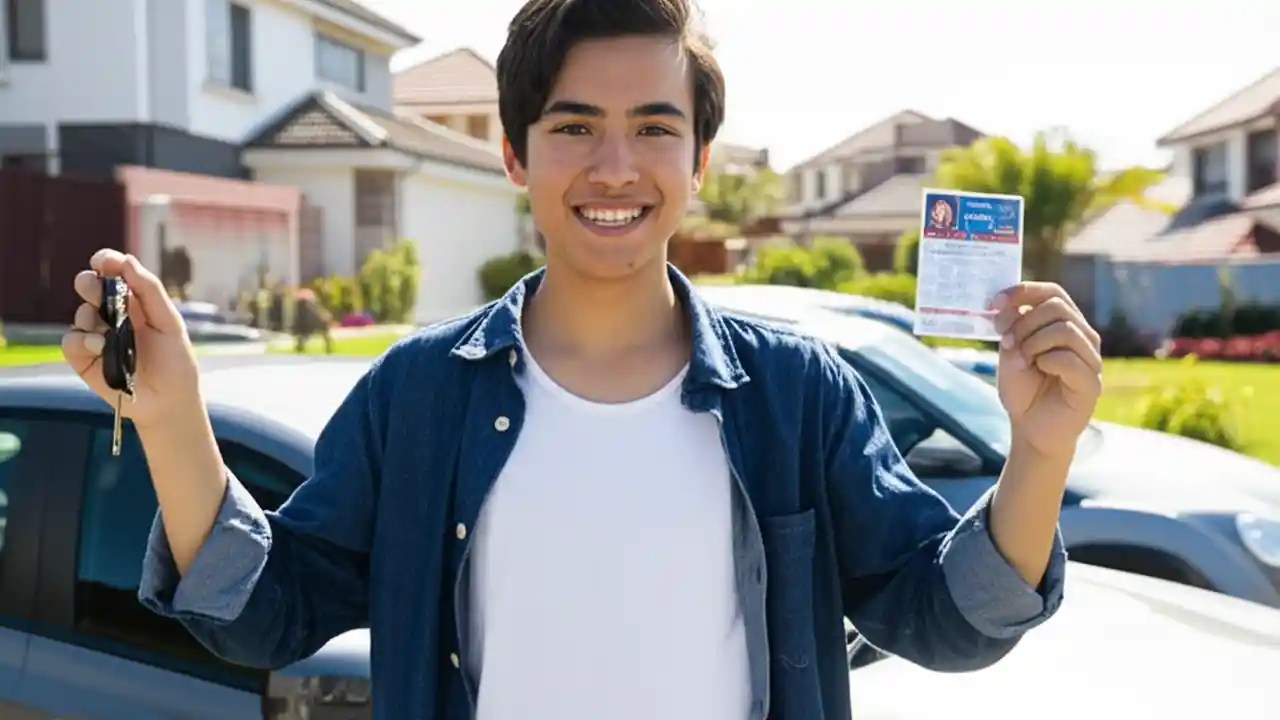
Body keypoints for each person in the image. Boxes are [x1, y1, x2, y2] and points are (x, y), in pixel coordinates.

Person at [60, 1, 1101, 718]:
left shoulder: (797, 396)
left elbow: (941, 619)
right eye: (574, 127)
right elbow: (266, 613)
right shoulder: (418, 396)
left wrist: (1038, 452)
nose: (615, 166)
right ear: (515, 154)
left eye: (654, 127)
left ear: (698, 161)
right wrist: (169, 415)